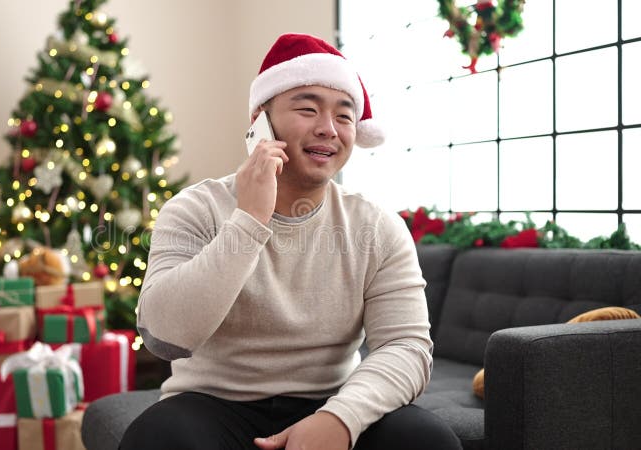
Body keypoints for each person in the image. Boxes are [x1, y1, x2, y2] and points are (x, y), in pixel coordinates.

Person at [120, 33, 461, 450]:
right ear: (260, 121)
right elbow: (165, 336)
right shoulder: (194, 209)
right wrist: (248, 219)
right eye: (307, 108)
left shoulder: (376, 225)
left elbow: (406, 347)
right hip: (213, 406)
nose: (327, 129)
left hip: (333, 400)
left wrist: (340, 419)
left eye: (344, 116)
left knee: (427, 440)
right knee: (157, 439)